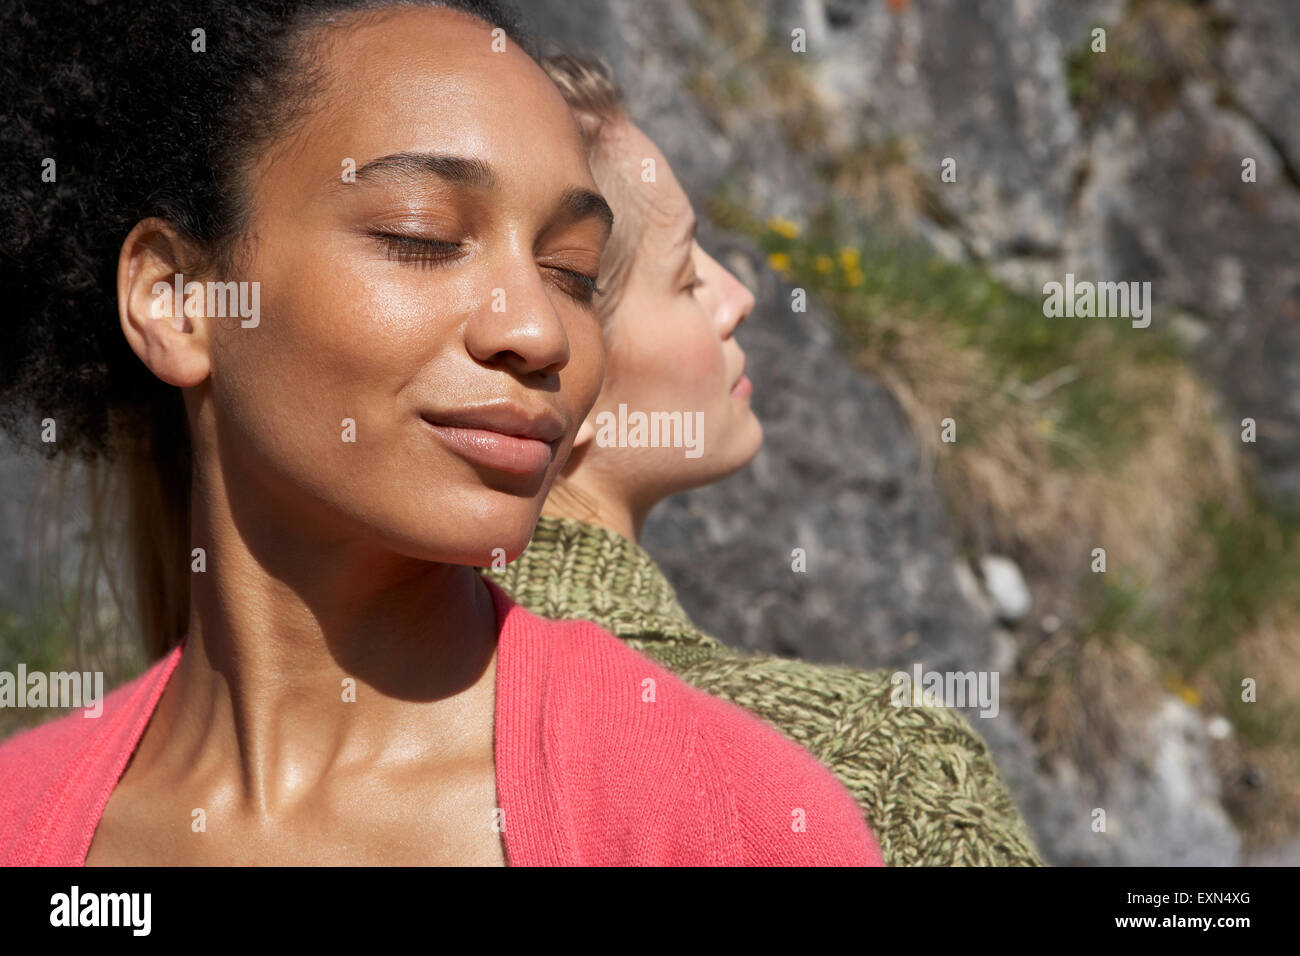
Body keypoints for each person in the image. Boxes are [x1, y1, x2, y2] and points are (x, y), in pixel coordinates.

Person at [0, 0, 884, 867]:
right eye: (420, 235)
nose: (538, 331)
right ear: (178, 300)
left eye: (571, 272)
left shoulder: (724, 819)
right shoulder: (18, 817)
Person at [483, 52, 1045, 866]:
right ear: (568, 376)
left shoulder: (344, 733)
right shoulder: (883, 760)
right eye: (683, 278)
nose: (737, 296)